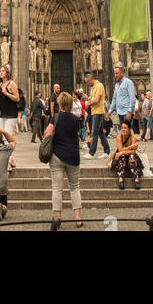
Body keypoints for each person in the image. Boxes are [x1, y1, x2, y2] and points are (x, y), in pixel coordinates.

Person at [44, 91, 83, 229]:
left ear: (59, 104)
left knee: (57, 188)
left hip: (57, 156)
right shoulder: (76, 119)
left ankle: (56, 218)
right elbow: (78, 134)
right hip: (73, 156)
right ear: (71, 104)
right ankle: (78, 218)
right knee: (75, 187)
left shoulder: (56, 118)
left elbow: (47, 134)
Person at [109, 119, 143, 190]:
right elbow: (120, 150)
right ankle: (121, 179)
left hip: (130, 157)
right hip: (121, 157)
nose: (123, 130)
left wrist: (124, 150)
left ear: (129, 129)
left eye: (125, 128)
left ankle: (136, 179)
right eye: (122, 128)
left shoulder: (133, 137)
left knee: (132, 156)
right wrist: (130, 147)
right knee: (122, 156)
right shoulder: (119, 137)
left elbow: (133, 152)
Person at [84, 71, 109, 157]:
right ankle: (107, 151)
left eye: (87, 82)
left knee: (94, 133)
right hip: (94, 112)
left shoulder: (99, 86)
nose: (86, 84)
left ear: (90, 80)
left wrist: (88, 104)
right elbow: (92, 99)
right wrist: (87, 98)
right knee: (100, 133)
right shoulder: (93, 87)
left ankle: (91, 153)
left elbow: (96, 100)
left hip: (98, 112)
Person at [109, 64, 136, 134]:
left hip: (127, 111)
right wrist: (110, 111)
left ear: (122, 73)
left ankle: (130, 141)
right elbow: (114, 98)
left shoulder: (128, 82)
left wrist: (129, 111)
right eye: (114, 74)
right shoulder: (116, 85)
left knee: (127, 132)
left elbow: (132, 98)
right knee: (123, 132)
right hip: (120, 112)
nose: (115, 75)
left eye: (117, 73)